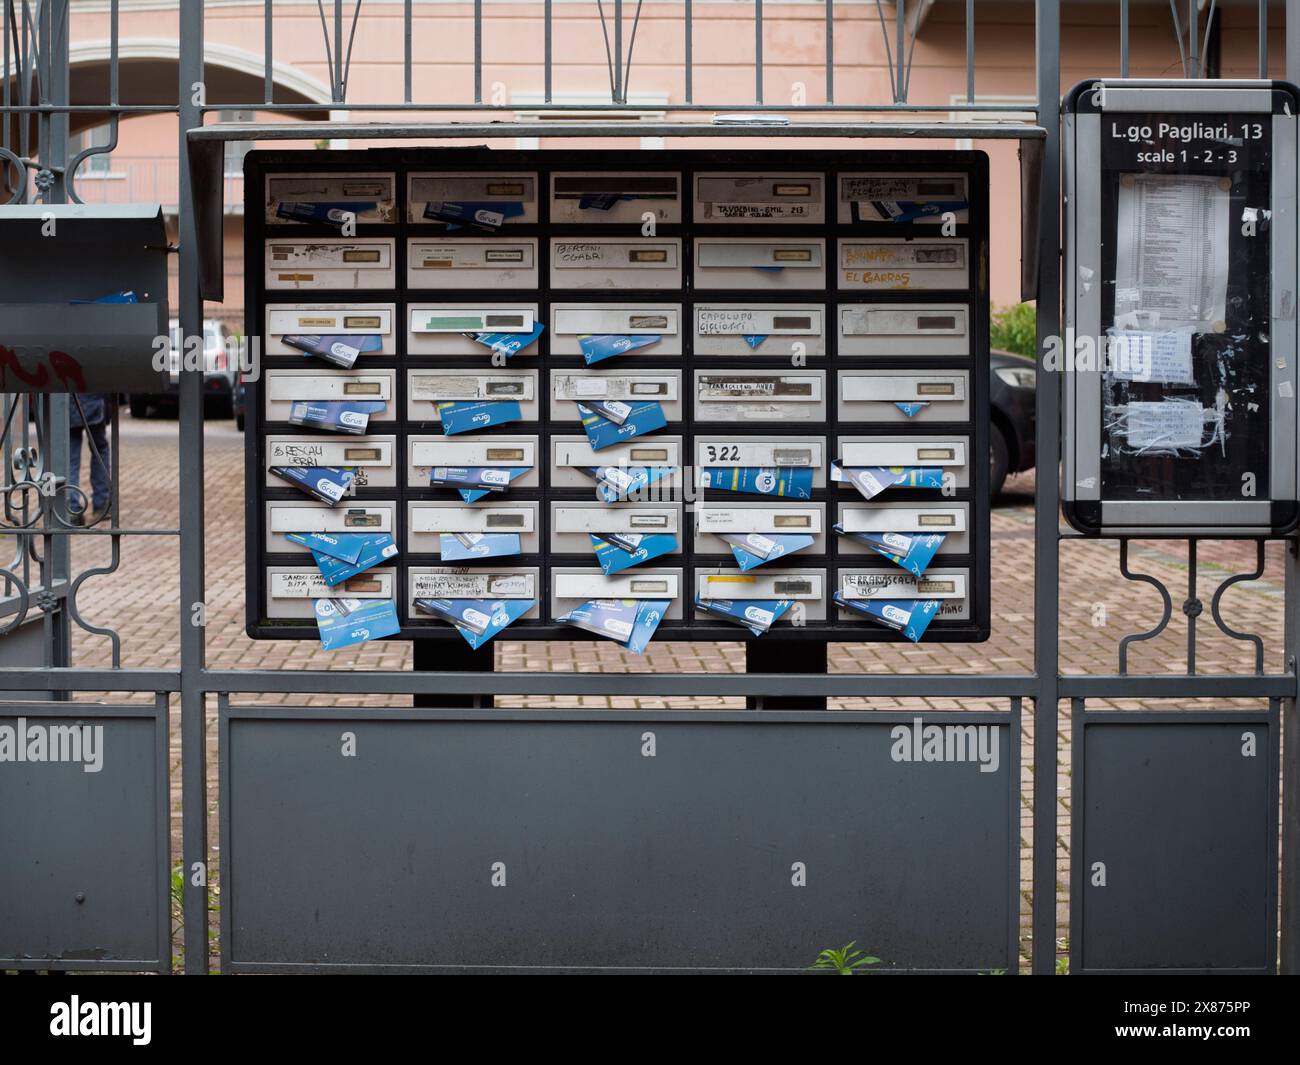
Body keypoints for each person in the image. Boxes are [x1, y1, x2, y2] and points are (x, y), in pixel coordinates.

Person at [68, 393, 111, 526]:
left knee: (70, 456)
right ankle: (101, 503)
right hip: (92, 399)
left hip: (68, 399)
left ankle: (72, 508)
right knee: (100, 449)